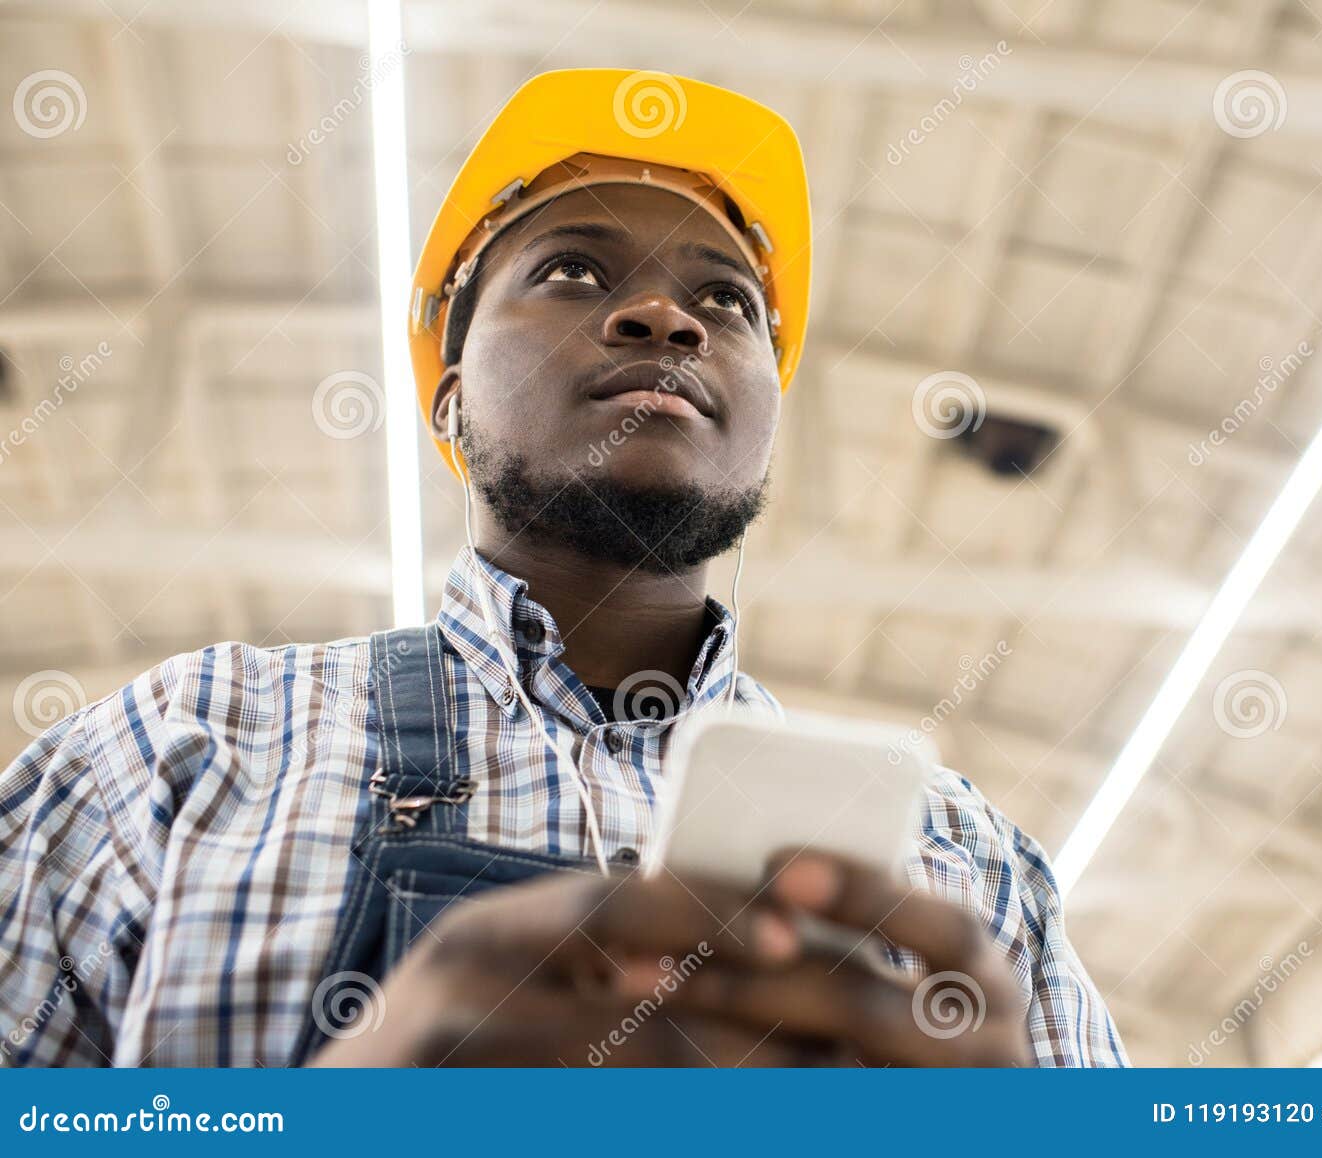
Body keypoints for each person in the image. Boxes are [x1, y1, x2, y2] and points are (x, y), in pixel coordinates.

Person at [0, 69, 1125, 1068]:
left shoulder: (967, 862)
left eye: (726, 300)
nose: (664, 316)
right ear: (447, 397)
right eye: (575, 271)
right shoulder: (178, 754)